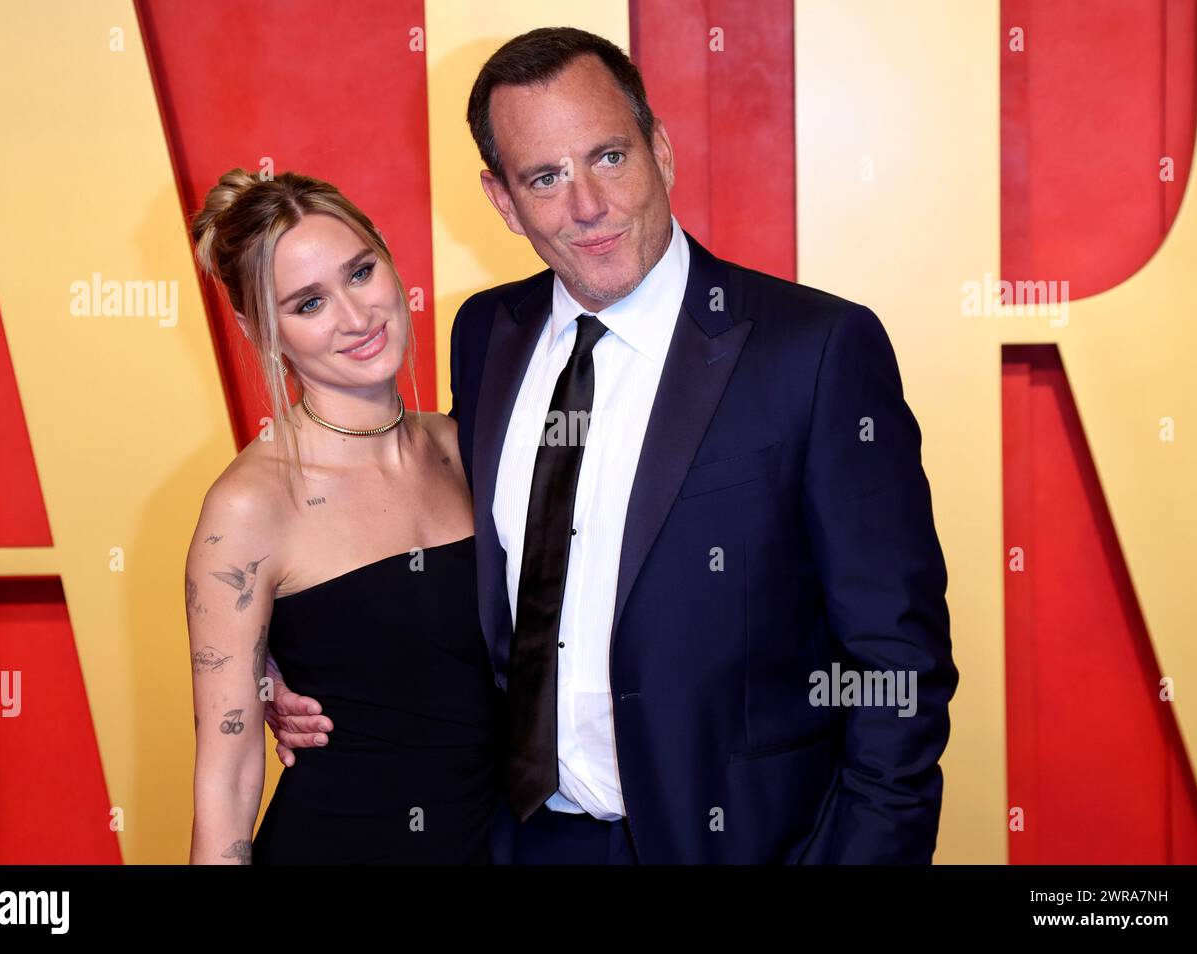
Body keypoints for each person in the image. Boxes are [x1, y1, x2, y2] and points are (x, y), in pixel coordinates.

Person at [268, 27, 958, 864]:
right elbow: (439, 562)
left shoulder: (813, 351)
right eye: (546, 178)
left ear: (661, 150)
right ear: (502, 200)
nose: (586, 206)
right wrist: (284, 663)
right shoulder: (486, 333)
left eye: (609, 157)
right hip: (515, 839)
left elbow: (896, 667)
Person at [185, 169, 503, 864]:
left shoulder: (469, 443)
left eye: (360, 272)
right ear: (260, 332)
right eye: (308, 304)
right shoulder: (248, 505)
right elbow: (227, 777)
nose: (356, 318)